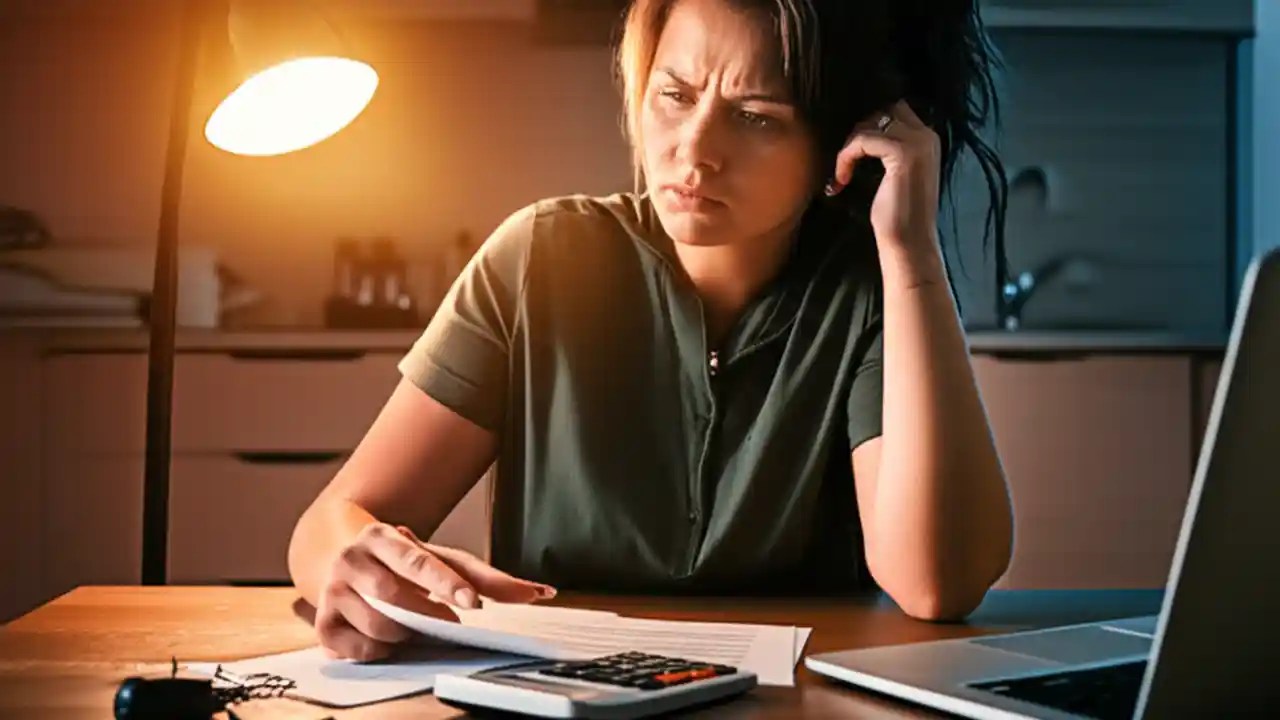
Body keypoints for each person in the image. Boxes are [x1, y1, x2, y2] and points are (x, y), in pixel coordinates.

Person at [288, 0, 1015, 662]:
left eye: (757, 116)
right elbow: (329, 526)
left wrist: (911, 252)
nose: (693, 152)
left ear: (839, 147)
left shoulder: (869, 290)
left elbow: (936, 586)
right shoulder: (537, 257)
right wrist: (364, 562)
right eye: (674, 95)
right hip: (553, 698)